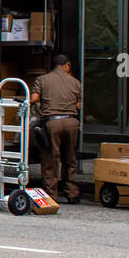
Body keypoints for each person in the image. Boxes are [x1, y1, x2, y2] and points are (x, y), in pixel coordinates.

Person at [31, 54, 83, 203]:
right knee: (70, 159)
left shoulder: (42, 79)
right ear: (66, 65)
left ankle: (51, 195)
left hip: (51, 124)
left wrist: (27, 102)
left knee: (50, 160)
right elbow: (78, 105)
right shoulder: (76, 82)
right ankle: (72, 193)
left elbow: (34, 98)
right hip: (71, 123)